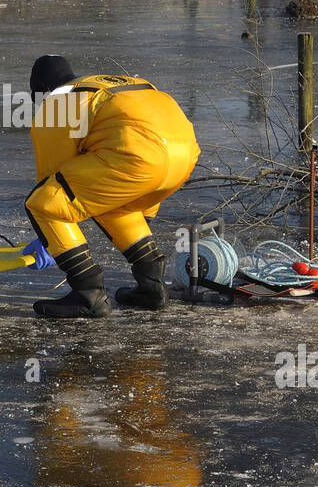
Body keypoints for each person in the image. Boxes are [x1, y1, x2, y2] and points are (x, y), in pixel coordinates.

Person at [21, 56, 200, 318]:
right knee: (110, 199)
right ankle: (152, 285)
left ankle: (88, 295)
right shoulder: (108, 86)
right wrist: (144, 218)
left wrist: (49, 237)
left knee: (43, 203)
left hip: (139, 159)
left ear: (44, 90)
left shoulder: (59, 104)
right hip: (184, 156)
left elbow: (52, 180)